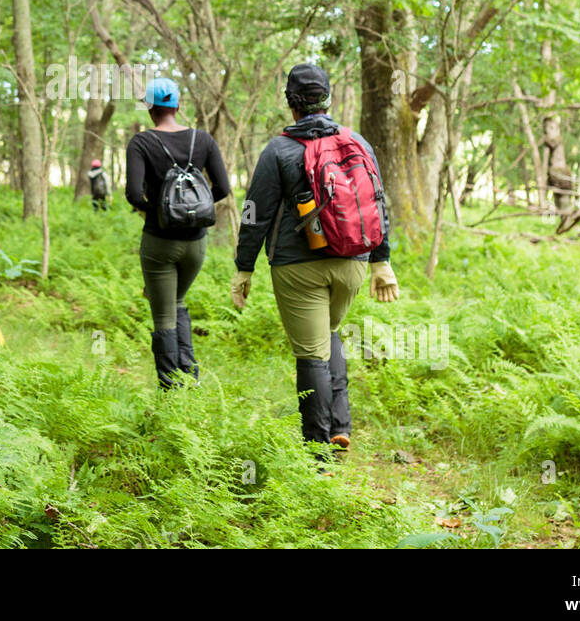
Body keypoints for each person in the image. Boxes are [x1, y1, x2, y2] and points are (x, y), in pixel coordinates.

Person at [231, 64, 400, 462]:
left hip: (297, 266)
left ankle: (317, 454)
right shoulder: (357, 141)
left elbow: (255, 213)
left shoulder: (279, 149)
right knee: (331, 330)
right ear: (328, 98)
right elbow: (377, 203)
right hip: (353, 263)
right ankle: (340, 427)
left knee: (310, 353)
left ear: (291, 104)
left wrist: (244, 267)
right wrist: (381, 261)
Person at [125, 77, 230, 388]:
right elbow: (222, 188)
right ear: (178, 106)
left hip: (159, 241)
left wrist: (157, 211)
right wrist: (193, 213)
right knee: (179, 302)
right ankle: (189, 378)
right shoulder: (204, 140)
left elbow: (133, 193)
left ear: (150, 109)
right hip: (196, 245)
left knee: (163, 319)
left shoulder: (141, 143)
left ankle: (172, 392)